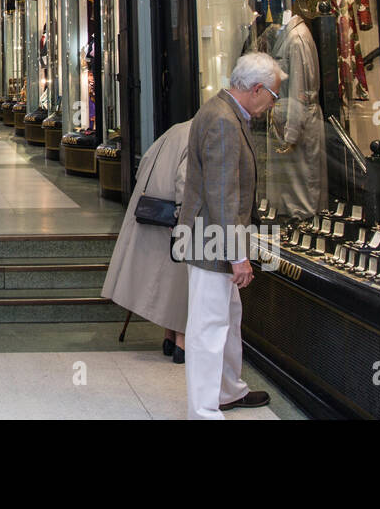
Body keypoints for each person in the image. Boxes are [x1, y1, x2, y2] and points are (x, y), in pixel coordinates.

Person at [177, 51, 281, 419]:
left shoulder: (224, 111)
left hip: (212, 235)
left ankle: (228, 390)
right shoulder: (223, 120)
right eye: (274, 95)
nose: (272, 104)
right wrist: (238, 256)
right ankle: (204, 410)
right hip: (212, 239)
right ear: (256, 89)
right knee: (209, 326)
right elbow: (222, 195)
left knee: (228, 317)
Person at [102, 120, 192, 363]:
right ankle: (181, 343)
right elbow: (185, 181)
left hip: (155, 217)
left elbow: (144, 166)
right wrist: (186, 219)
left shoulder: (173, 131)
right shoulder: (197, 135)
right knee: (180, 282)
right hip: (177, 223)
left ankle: (168, 337)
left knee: (168, 281)